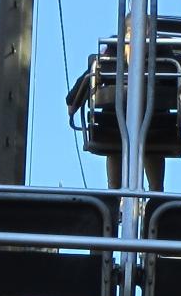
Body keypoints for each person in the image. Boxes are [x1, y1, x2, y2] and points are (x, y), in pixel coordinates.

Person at [66, 18, 167, 192]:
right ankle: (155, 200)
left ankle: (115, 200)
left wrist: (73, 105)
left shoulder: (112, 48)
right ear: (150, 29)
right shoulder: (163, 49)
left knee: (115, 145)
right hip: (155, 127)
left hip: (112, 126)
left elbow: (83, 83)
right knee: (156, 183)